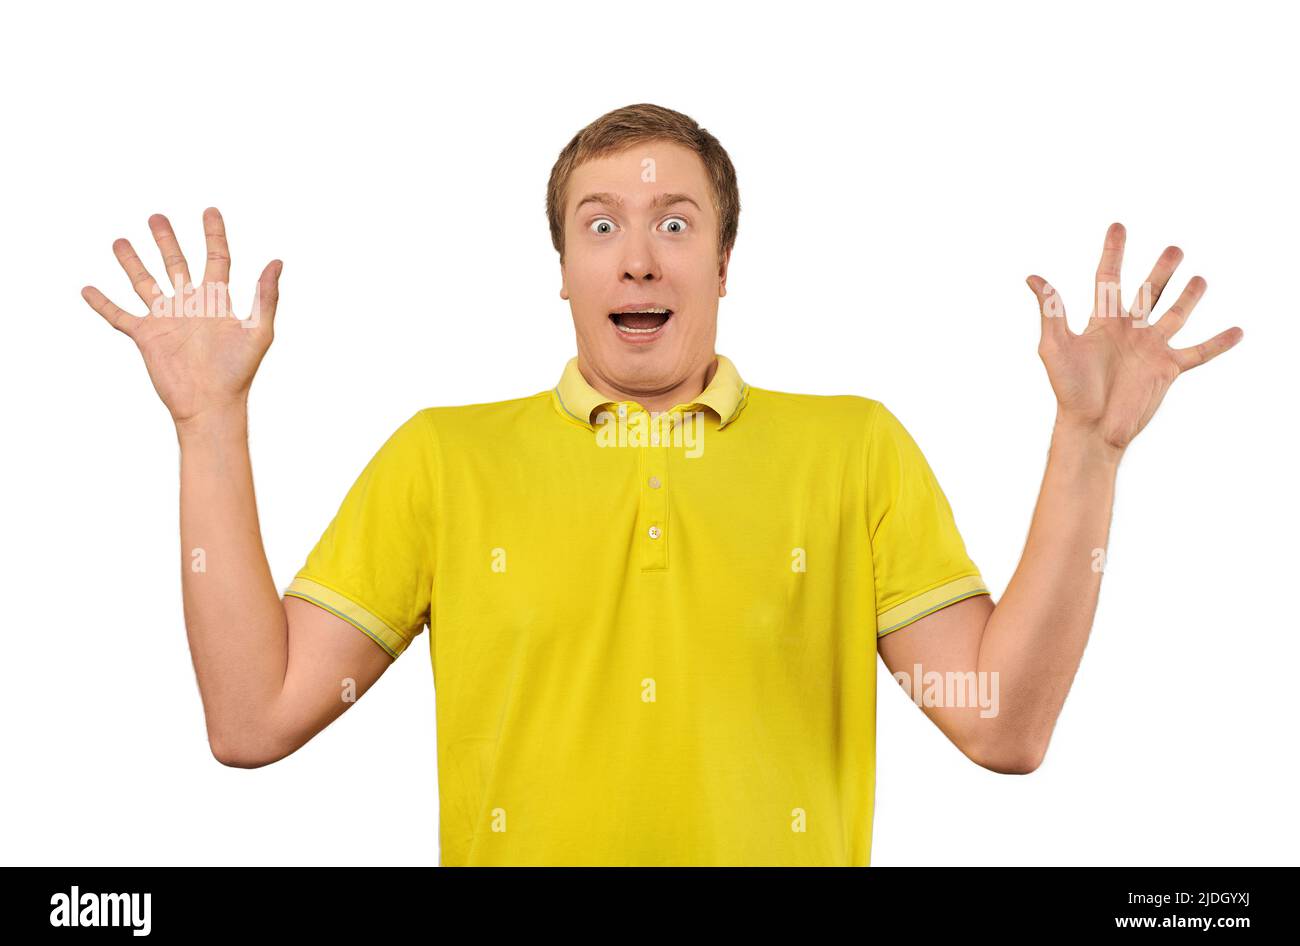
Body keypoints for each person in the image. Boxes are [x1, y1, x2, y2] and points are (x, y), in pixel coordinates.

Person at [80, 103, 1243, 866]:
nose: (637, 254)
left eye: (673, 223)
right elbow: (252, 716)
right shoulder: (444, 458)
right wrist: (209, 425)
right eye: (601, 227)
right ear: (566, 273)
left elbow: (1001, 725)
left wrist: (1088, 447)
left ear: (723, 264)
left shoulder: (852, 450)